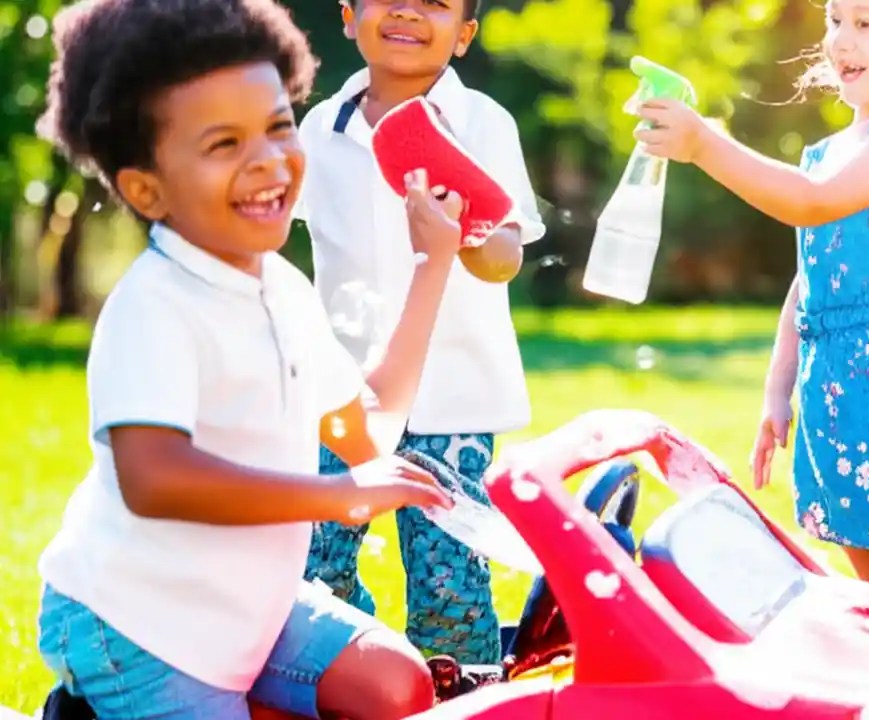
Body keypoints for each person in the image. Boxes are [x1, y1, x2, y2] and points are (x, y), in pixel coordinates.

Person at [32, 0, 468, 717]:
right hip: (139, 625)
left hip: (245, 609)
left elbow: (368, 426)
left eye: (276, 127)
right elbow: (155, 479)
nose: (267, 160)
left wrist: (434, 262)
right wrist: (338, 495)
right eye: (223, 144)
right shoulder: (155, 306)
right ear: (146, 188)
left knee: (397, 685)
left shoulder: (281, 290)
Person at [634, 0, 869, 609]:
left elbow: (810, 204)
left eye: (866, 24)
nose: (841, 40)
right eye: (835, 20)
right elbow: (809, 277)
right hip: (834, 400)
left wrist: (705, 143)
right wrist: (776, 389)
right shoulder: (830, 152)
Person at [293, 0, 546, 666]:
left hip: (453, 398)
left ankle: (462, 691)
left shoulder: (484, 123)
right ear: (349, 16)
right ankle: (363, 672)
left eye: (435, 3)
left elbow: (506, 257)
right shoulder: (320, 129)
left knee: (448, 584)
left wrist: (461, 238)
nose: (408, 11)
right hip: (344, 398)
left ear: (464, 35)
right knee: (315, 564)